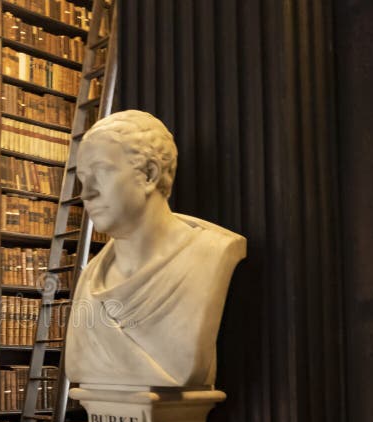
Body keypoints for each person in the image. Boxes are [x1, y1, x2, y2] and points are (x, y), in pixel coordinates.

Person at [66, 110, 246, 388]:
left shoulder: (209, 255)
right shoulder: (89, 278)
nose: (85, 192)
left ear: (149, 174)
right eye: (82, 178)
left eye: (101, 172)